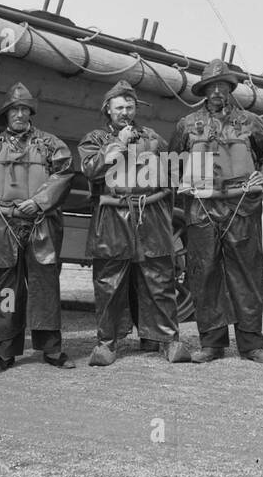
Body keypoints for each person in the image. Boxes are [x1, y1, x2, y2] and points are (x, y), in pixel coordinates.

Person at [169, 58, 263, 363]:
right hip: (201, 208)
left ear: (230, 89)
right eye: (212, 87)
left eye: (223, 86)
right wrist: (181, 182)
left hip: (241, 206)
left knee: (246, 274)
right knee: (204, 274)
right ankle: (212, 343)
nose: (218, 91)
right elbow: (174, 159)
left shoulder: (250, 121)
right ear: (204, 91)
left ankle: (251, 344)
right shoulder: (187, 125)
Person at [78, 80, 193, 366]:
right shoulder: (94, 139)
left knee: (159, 280)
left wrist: (165, 201)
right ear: (108, 109)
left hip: (149, 216)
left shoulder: (153, 138)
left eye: (129, 106)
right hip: (112, 218)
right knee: (109, 283)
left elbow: (171, 176)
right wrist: (119, 144)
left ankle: (167, 340)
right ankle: (107, 343)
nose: (125, 112)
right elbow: (91, 172)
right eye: (119, 107)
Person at [0, 82, 76, 373]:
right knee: (6, 290)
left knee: (45, 286)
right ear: (5, 114)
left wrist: (39, 203)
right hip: (2, 226)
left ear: (31, 113)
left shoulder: (51, 144)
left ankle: (52, 349)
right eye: (14, 109)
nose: (19, 114)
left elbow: (65, 174)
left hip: (41, 224)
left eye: (24, 109)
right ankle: (6, 351)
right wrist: (0, 213)